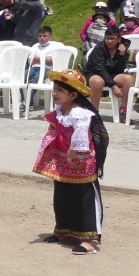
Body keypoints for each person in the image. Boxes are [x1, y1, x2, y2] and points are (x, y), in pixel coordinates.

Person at [33, 69, 107, 254]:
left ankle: (87, 240)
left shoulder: (80, 113)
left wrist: (73, 151)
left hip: (81, 164)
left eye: (60, 90)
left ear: (73, 95)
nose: (55, 93)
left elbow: (81, 133)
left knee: (83, 199)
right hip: (63, 162)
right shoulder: (60, 112)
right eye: (55, 89)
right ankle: (63, 231)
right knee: (62, 196)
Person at [84, 26, 133, 116]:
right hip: (94, 73)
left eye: (112, 39)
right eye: (107, 38)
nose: (109, 41)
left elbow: (119, 70)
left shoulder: (122, 48)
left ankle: (124, 109)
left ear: (119, 39)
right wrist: (113, 86)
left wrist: (122, 55)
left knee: (128, 78)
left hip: (111, 74)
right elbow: (99, 69)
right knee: (98, 81)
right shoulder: (99, 49)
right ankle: (94, 112)